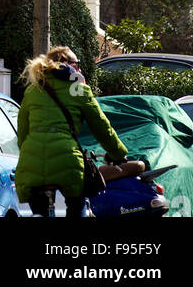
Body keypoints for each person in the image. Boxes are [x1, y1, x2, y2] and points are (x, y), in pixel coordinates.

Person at [15, 45, 128, 218]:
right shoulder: (79, 90)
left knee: (39, 210)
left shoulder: (32, 90)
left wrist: (31, 154)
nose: (80, 68)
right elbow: (101, 127)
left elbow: (22, 135)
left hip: (31, 163)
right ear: (66, 64)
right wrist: (117, 153)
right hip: (67, 158)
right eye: (77, 63)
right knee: (78, 202)